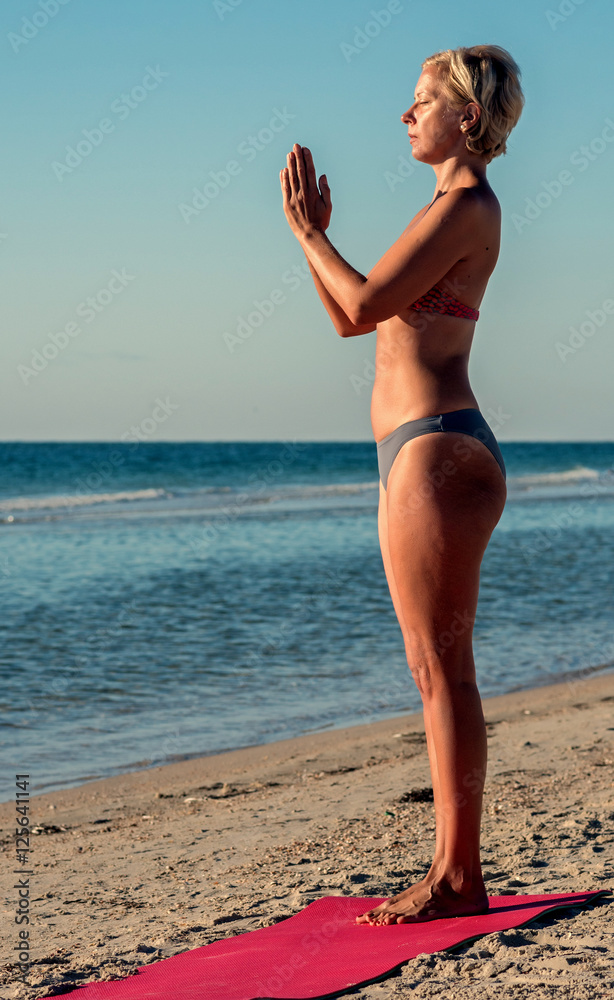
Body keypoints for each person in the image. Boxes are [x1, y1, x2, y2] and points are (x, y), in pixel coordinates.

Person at [280, 44, 524, 924]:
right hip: (420, 450)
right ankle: (454, 868)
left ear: (466, 115)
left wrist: (310, 233)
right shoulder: (448, 205)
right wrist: (319, 244)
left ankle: (460, 876)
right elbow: (353, 322)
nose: (405, 113)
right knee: (433, 668)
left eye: (422, 100)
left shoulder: (466, 204)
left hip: (439, 450)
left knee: (441, 670)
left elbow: (357, 305)